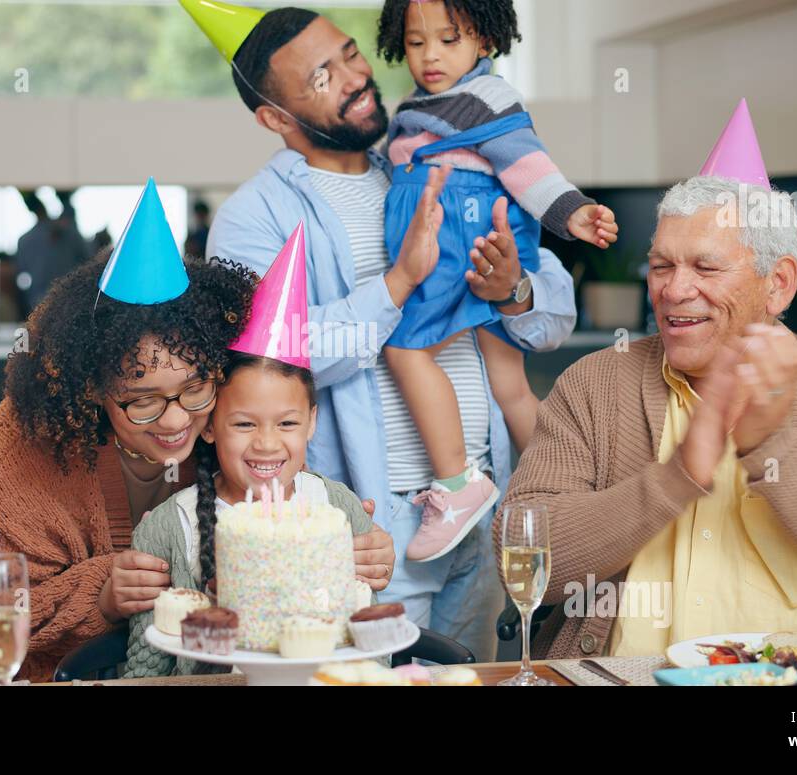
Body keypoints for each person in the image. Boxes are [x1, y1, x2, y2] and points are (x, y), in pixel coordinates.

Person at [187, 2, 576, 661]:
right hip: (369, 526)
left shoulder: (426, 155)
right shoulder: (253, 217)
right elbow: (274, 365)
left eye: (349, 53)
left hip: (481, 502)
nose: (353, 76)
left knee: (466, 677)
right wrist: (398, 283)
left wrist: (511, 288)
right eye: (320, 76)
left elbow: (555, 313)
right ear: (274, 118)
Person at [498, 100, 797, 658]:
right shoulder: (594, 385)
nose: (673, 289)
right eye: (662, 265)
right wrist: (677, 476)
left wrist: (775, 451)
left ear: (778, 284)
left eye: (705, 267)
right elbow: (520, 554)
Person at [0, 181, 394, 682]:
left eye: (195, 390)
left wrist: (350, 549)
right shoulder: (32, 446)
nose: (174, 421)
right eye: (141, 401)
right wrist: (100, 594)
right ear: (94, 388)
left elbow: (282, 517)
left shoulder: (232, 425)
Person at [376, 0, 618, 562]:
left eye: (449, 39)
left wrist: (570, 211)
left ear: (484, 41)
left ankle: (459, 484)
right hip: (471, 233)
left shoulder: (486, 98)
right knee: (509, 383)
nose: (430, 54)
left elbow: (527, 165)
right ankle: (560, 501)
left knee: (406, 352)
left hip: (462, 238)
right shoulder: (426, 103)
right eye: (416, 42)